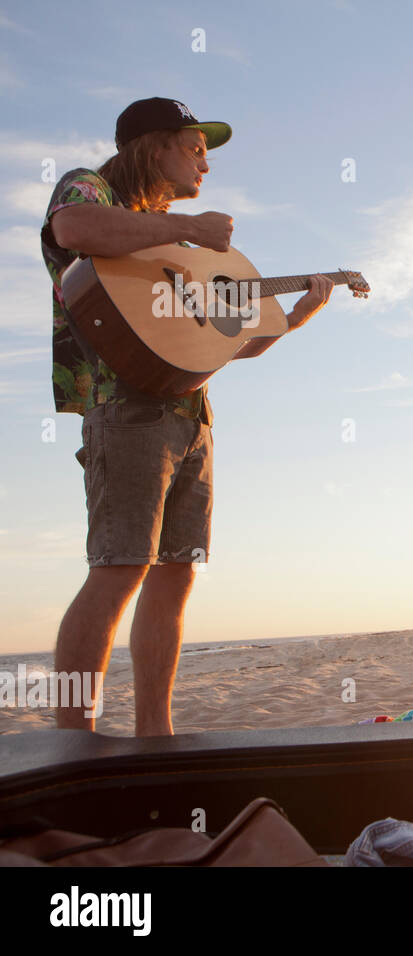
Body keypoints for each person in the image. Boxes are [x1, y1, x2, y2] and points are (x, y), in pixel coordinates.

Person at [43, 97, 335, 734]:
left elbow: (229, 339)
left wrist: (295, 316)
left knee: (177, 572)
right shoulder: (90, 189)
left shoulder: (181, 245)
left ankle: (157, 737)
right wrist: (190, 230)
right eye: (195, 147)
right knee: (118, 566)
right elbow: (74, 231)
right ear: (154, 146)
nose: (205, 163)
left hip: (192, 413)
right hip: (125, 409)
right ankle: (71, 742)